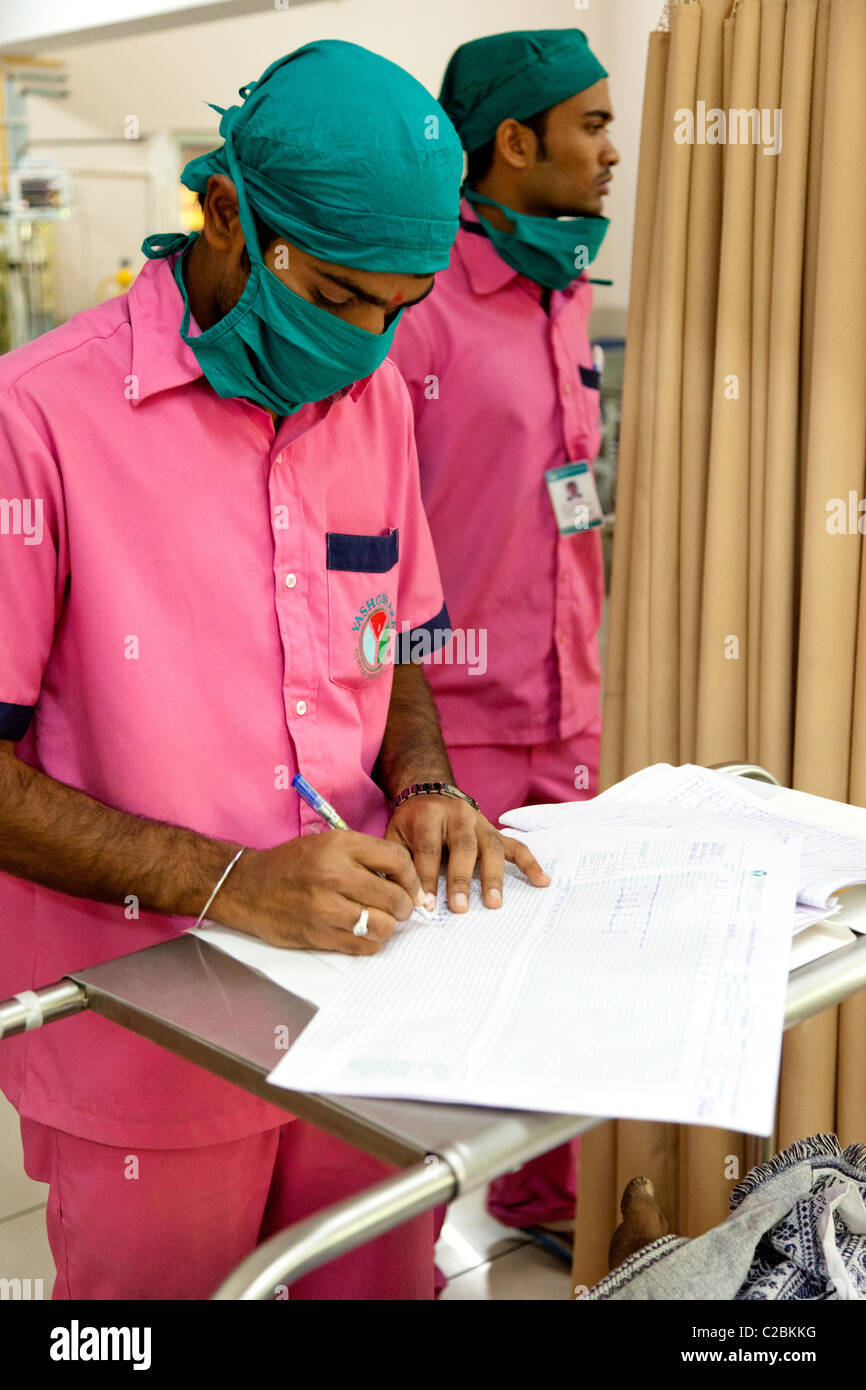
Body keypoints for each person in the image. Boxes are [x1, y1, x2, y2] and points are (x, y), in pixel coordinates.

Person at [0, 40, 547, 1302]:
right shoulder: (41, 422)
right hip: (147, 1039)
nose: (368, 346)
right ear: (227, 213)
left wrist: (422, 784)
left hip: (362, 1005)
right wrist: (231, 883)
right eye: (341, 298)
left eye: (401, 310)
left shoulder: (370, 404)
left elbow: (389, 637)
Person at [390, 28, 619, 1240]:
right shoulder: (416, 305)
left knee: (567, 982)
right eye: (588, 123)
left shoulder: (564, 287)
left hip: (564, 701)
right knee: (439, 999)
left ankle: (548, 1207)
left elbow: (563, 493)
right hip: (449, 720)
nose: (610, 149)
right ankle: (392, 1240)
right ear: (512, 140)